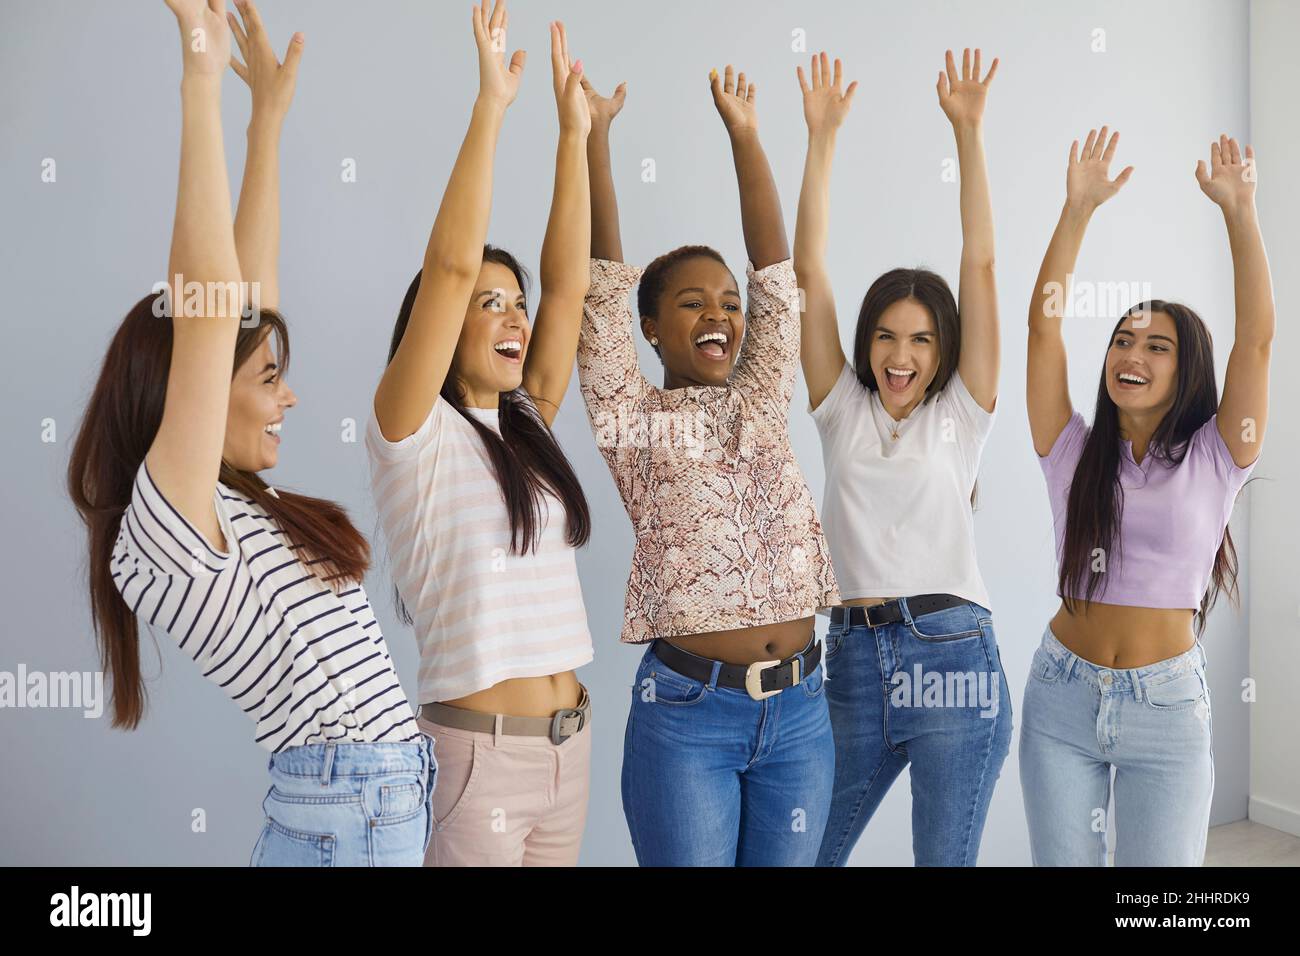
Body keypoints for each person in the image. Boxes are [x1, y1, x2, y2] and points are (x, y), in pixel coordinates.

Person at [68, 0, 431, 867]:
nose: (290, 398)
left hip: (370, 804)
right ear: (184, 394)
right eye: (268, 381)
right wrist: (200, 77)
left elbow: (242, 312)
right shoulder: (164, 528)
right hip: (351, 810)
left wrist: (267, 122)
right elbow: (210, 310)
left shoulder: (235, 507)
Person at [1019, 128, 1273, 865]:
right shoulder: (1070, 450)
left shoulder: (1218, 456)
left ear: (1185, 369)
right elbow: (1042, 331)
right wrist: (1076, 211)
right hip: (1060, 693)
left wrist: (1238, 212)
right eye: (1124, 340)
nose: (1132, 355)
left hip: (1167, 707)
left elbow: (1255, 339)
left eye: (1156, 346)